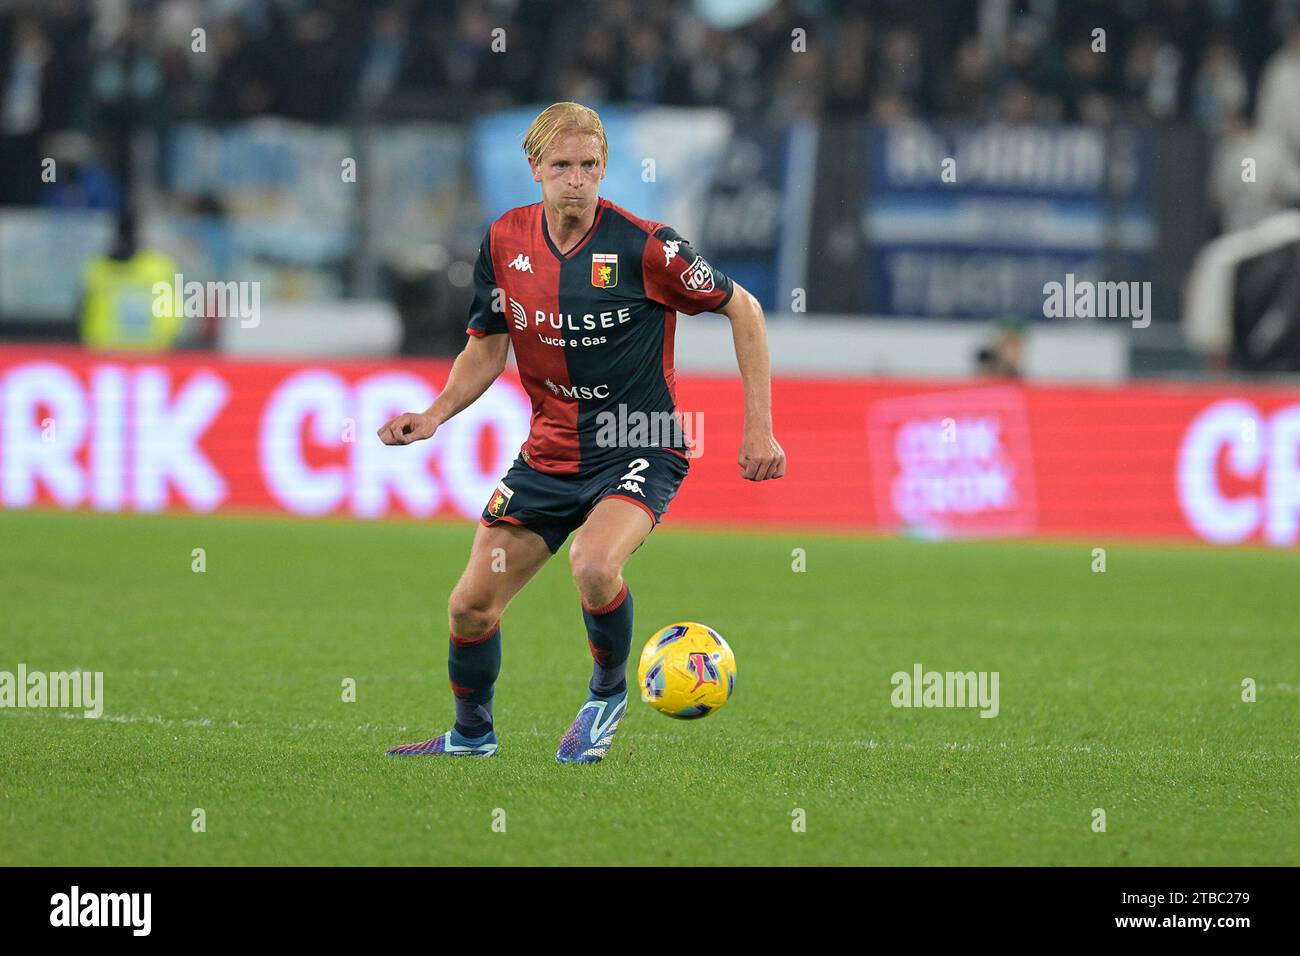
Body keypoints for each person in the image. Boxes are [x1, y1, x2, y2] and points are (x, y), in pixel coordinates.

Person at [379, 102, 785, 763]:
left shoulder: (651, 246)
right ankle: (471, 737)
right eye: (562, 165)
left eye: (590, 165)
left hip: (640, 439)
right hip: (549, 452)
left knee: (595, 564)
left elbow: (746, 308)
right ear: (534, 167)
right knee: (470, 609)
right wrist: (433, 415)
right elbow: (486, 348)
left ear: (604, 168)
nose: (577, 178)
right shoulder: (503, 241)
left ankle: (606, 695)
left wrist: (759, 430)